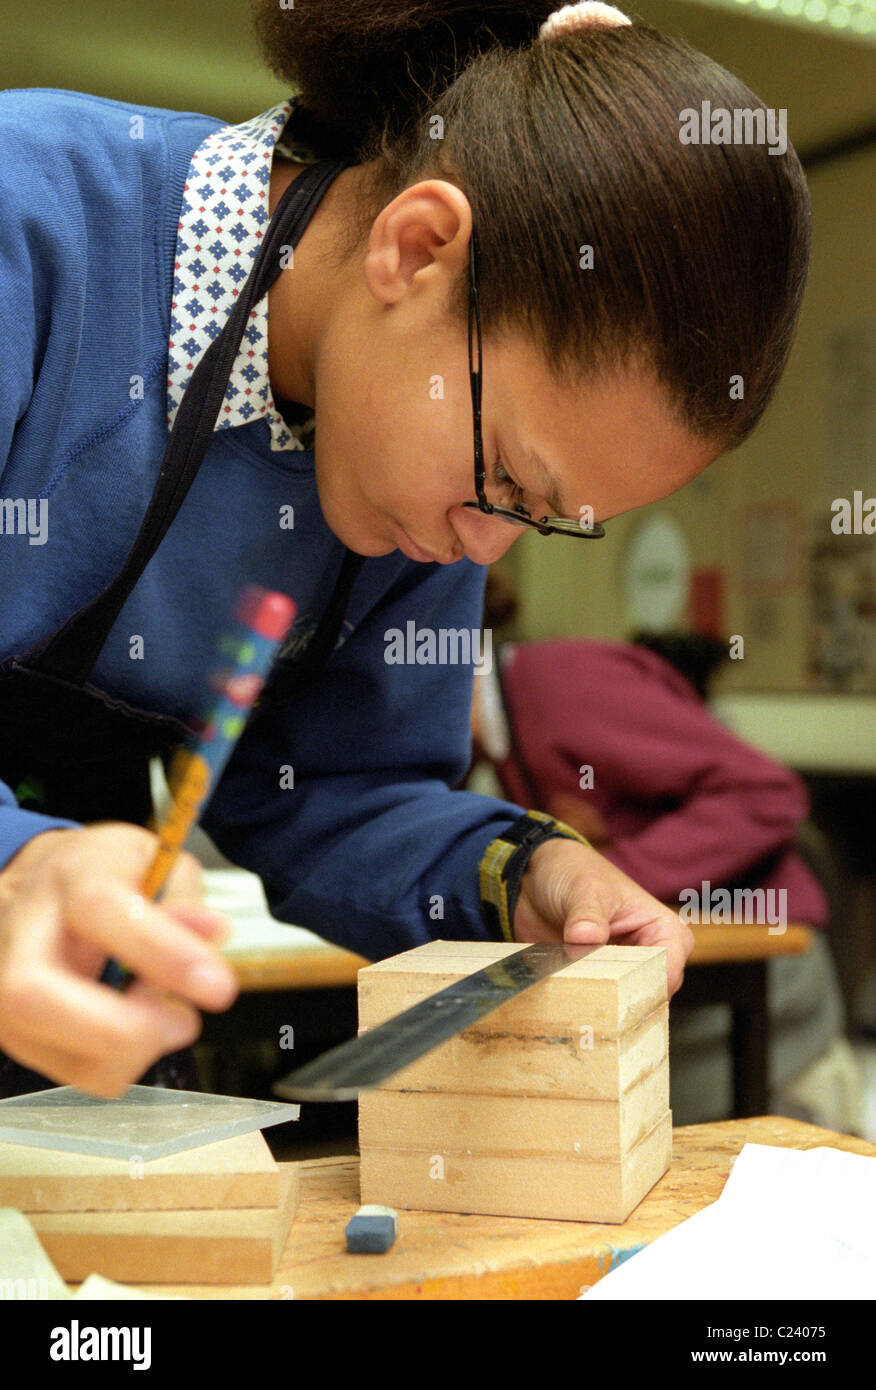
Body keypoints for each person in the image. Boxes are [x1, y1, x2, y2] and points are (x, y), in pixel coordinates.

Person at [0, 1, 812, 1098]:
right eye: (509, 476)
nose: (480, 543)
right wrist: (18, 870)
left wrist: (527, 872)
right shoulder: (32, 225)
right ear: (418, 248)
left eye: (542, 517)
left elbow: (341, 792)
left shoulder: (413, 493)